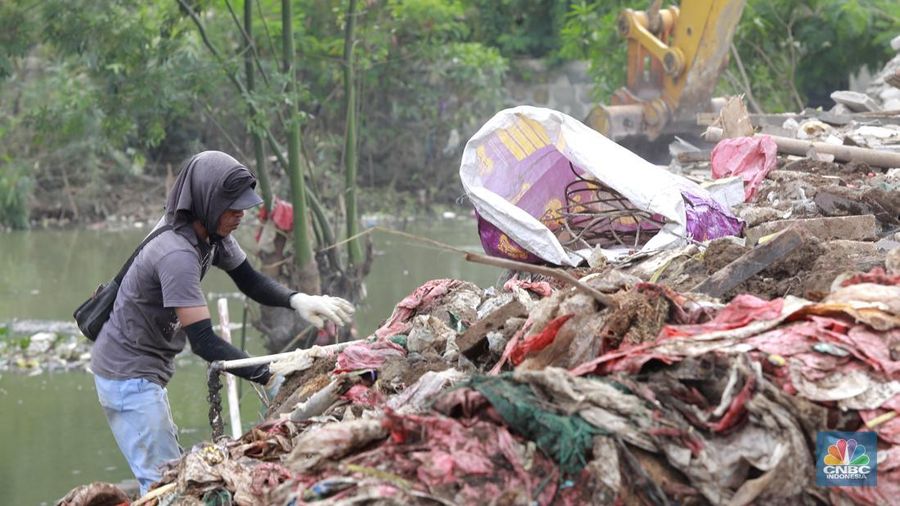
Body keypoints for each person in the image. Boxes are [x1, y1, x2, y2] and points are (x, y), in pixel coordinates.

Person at [89, 151, 354, 495]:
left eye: (243, 206)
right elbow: (203, 342)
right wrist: (269, 372)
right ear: (207, 202)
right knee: (167, 488)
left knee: (171, 475)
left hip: (146, 369)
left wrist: (298, 300)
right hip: (128, 376)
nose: (241, 215)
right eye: (233, 208)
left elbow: (249, 280)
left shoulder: (210, 236)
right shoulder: (177, 255)